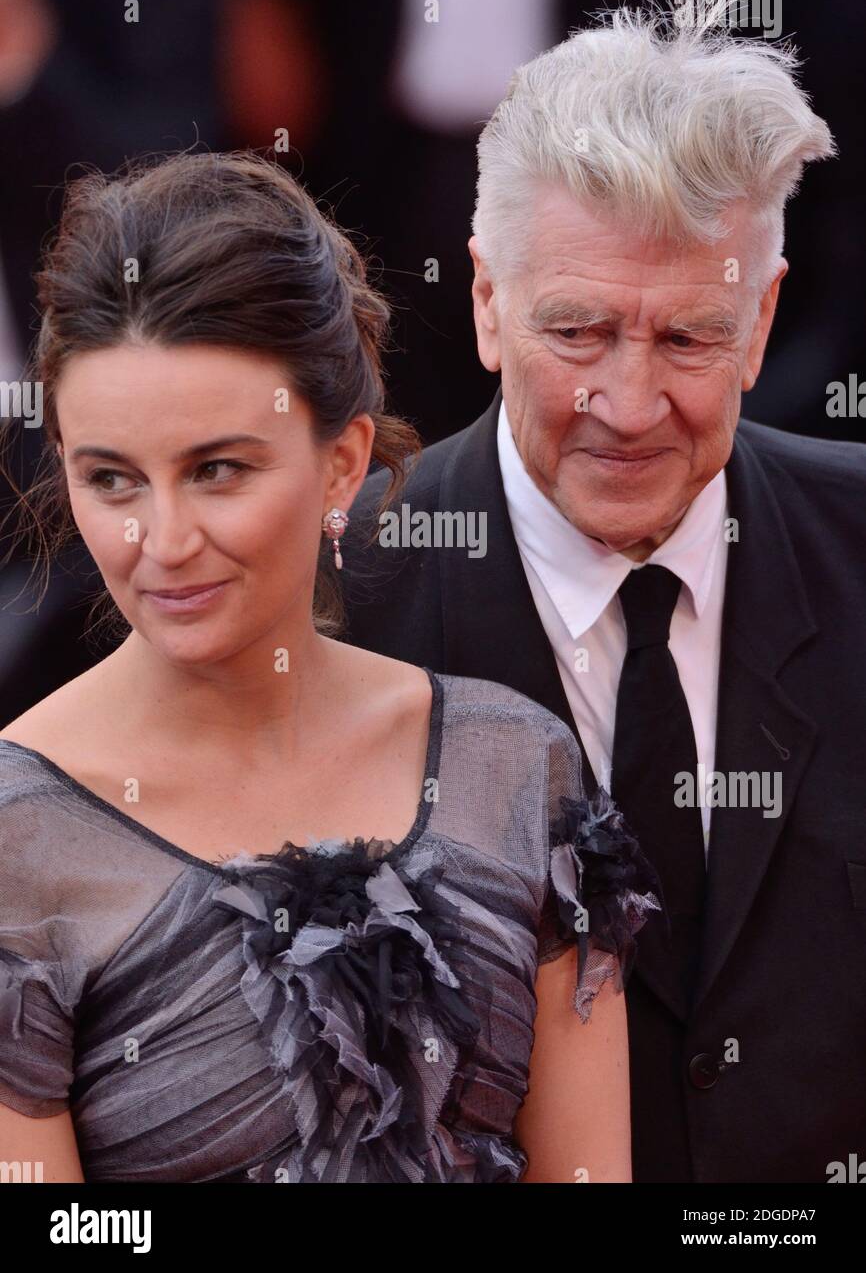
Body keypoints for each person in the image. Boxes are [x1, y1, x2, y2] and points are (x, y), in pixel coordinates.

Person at [0, 149, 659, 1183]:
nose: (162, 539)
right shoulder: (17, 836)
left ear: (342, 462)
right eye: (113, 479)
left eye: (217, 470)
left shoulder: (514, 770)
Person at [339, 0, 866, 1183]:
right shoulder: (333, 600)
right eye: (575, 333)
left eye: (688, 339)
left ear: (763, 318)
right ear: (484, 301)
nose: (628, 409)